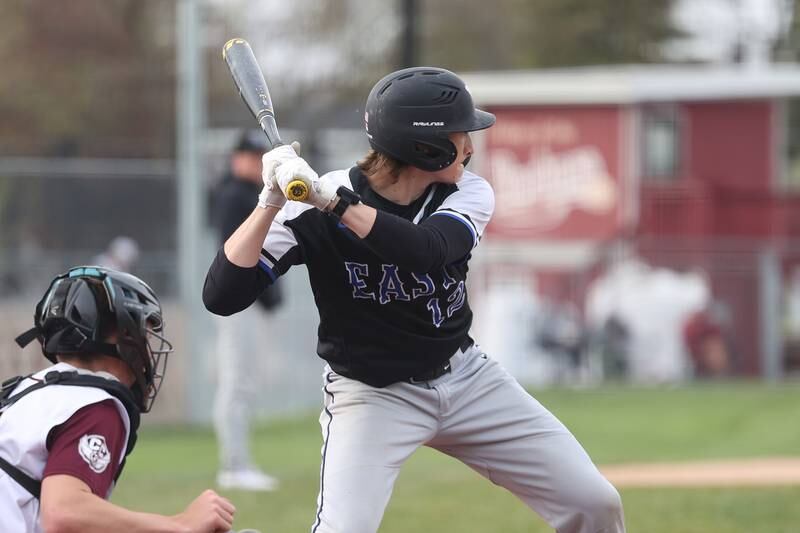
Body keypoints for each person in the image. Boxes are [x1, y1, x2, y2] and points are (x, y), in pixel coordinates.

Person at [203, 67, 625, 533]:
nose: (469, 144)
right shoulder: (313, 206)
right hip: (371, 394)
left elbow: (425, 252)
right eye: (459, 134)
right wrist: (269, 202)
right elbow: (222, 294)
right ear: (427, 148)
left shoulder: (466, 191)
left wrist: (331, 202)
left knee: (595, 502)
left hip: (466, 379)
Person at [1, 266, 236, 532]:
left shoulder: (22, 394)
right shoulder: (92, 404)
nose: (147, 348)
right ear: (122, 334)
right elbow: (63, 514)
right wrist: (179, 525)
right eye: (145, 333)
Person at [210, 131, 284, 491]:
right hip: (240, 303)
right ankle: (234, 465)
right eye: (251, 156)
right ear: (236, 158)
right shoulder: (233, 196)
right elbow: (236, 255)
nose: (257, 163)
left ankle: (238, 462)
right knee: (236, 382)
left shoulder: (249, 195)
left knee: (245, 382)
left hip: (250, 303)